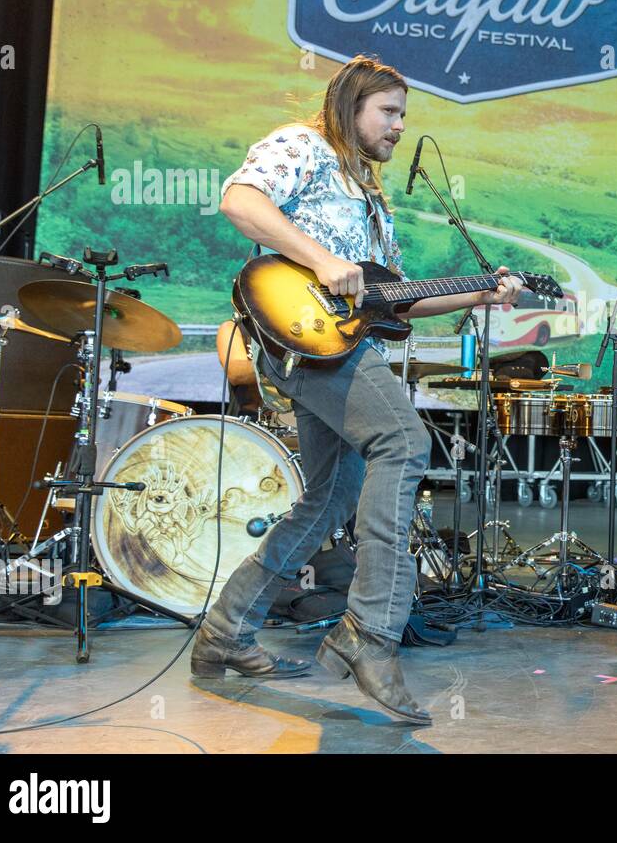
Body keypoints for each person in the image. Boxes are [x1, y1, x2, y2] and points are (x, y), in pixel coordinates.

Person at [191, 55, 522, 726]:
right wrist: (321, 259)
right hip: (301, 341)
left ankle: (225, 630)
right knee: (403, 441)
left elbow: (391, 301)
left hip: (343, 344)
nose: (400, 127)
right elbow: (240, 200)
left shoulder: (371, 198)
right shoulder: (302, 146)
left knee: (329, 496)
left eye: (404, 115)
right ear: (351, 105)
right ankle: (369, 632)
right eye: (390, 112)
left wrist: (481, 294)